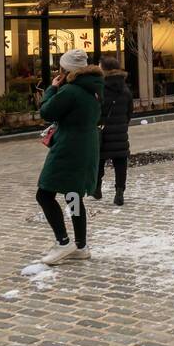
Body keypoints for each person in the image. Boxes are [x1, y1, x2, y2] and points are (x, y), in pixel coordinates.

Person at [36, 49, 103, 265]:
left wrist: (52, 89)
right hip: (86, 147)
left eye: (61, 68)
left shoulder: (71, 91)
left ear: (67, 70)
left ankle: (63, 242)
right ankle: (81, 245)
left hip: (68, 149)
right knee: (73, 195)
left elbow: (46, 112)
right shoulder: (93, 88)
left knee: (44, 194)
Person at [93, 56, 133, 206]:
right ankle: (119, 192)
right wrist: (122, 124)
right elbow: (129, 112)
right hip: (120, 132)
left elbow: (95, 110)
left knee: (99, 160)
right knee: (120, 162)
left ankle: (96, 188)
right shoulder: (125, 89)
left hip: (102, 132)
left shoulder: (99, 88)